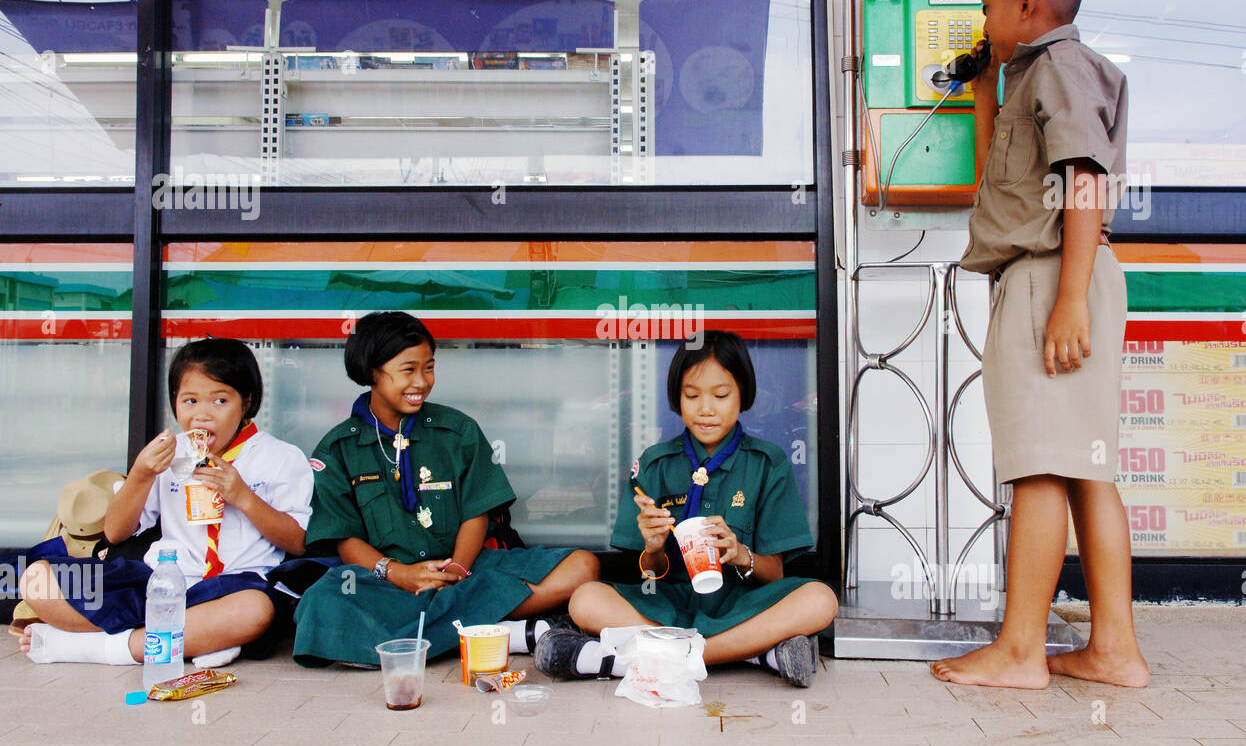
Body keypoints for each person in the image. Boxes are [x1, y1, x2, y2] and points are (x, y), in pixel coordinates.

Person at [931, 0, 1148, 689]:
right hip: (1060, 271)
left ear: (1025, 4)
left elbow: (1082, 179)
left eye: (987, 9)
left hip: (1056, 272)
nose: (983, 22)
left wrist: (1066, 301)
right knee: (1086, 468)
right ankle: (1113, 649)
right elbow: (1005, 177)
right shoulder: (1034, 73)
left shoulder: (1057, 65)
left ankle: (1020, 650)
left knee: (1038, 470)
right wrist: (987, 85)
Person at [291, 311, 599, 668]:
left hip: (469, 573)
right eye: (408, 370)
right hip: (388, 583)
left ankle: (411, 639)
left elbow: (476, 513)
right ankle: (500, 632)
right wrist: (400, 574)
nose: (421, 381)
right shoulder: (337, 449)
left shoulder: (458, 431)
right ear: (372, 371)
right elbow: (345, 540)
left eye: (429, 367)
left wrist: (456, 570)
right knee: (323, 600)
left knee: (582, 566)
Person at [534, 330, 839, 687]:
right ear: (677, 399)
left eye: (721, 395)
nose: (706, 409)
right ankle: (750, 652)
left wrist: (741, 555)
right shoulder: (655, 464)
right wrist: (653, 548)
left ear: (743, 395)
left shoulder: (767, 464)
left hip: (740, 605)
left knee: (820, 600)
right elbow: (648, 576)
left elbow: (774, 576)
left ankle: (673, 656)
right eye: (692, 396)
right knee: (586, 600)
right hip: (668, 605)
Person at [18, 338, 313, 669]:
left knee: (254, 611)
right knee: (37, 578)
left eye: (219, 400)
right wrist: (141, 475)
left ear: (246, 402)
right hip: (161, 581)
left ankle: (94, 647)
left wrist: (244, 497)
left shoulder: (281, 458)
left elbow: (298, 543)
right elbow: (115, 533)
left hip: (235, 587)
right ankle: (195, 639)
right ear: (175, 403)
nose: (202, 415)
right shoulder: (170, 453)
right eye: (189, 400)